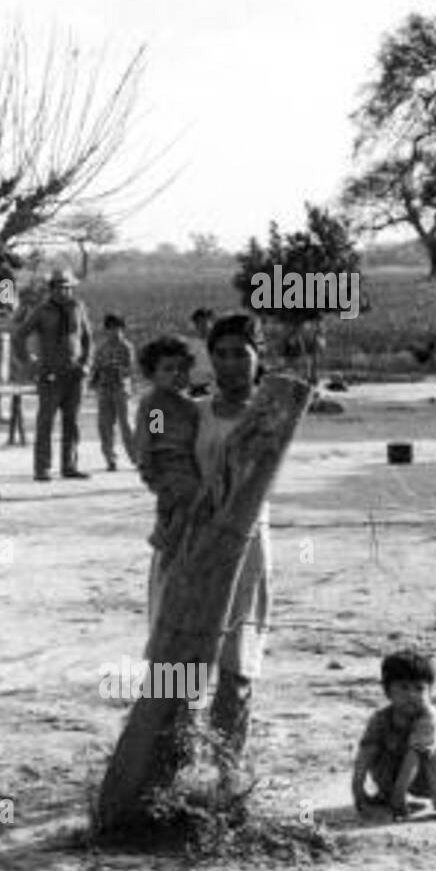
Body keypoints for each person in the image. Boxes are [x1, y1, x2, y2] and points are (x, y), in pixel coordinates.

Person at [145, 313, 271, 765]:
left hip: (244, 544)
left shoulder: (272, 416)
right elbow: (155, 457)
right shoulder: (187, 414)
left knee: (236, 655)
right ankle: (171, 760)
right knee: (176, 650)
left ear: (259, 357)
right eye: (220, 354)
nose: (231, 363)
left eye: (241, 353)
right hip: (187, 543)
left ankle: (226, 770)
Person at [352, 649, 436, 821]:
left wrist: (399, 796)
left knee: (432, 753)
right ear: (387, 691)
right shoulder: (380, 718)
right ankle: (386, 794)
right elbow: (364, 754)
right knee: (375, 750)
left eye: (419, 689)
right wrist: (358, 789)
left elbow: (414, 757)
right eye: (403, 688)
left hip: (430, 777)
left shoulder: (428, 718)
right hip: (399, 771)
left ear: (429, 693)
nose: (411, 695)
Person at [135, 335, 201, 598]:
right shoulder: (157, 405)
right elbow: (149, 439)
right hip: (168, 469)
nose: (176, 374)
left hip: (189, 467)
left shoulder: (189, 407)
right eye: (168, 369)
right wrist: (150, 473)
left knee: (186, 516)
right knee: (180, 511)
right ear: (152, 374)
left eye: (182, 369)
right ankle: (167, 560)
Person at [13, 269, 93, 481]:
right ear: (51, 288)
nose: (63, 290)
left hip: (75, 374)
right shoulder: (41, 310)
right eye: (59, 286)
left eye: (67, 287)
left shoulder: (78, 307)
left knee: (72, 422)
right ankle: (42, 468)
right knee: (45, 422)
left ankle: (69, 466)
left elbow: (87, 339)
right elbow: (19, 336)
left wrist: (86, 364)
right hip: (50, 374)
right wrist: (30, 363)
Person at [89, 314, 138, 471]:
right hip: (104, 389)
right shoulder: (101, 348)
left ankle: (135, 458)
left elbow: (130, 369)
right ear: (107, 330)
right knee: (105, 426)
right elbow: (95, 368)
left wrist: (118, 370)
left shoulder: (126, 347)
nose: (115, 331)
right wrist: (95, 379)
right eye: (111, 328)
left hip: (121, 389)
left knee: (126, 426)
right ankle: (110, 459)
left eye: (117, 328)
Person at [184, 308, 217, 397]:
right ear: (195, 325)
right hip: (195, 389)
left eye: (206, 322)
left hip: (214, 389)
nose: (204, 326)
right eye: (199, 323)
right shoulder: (189, 346)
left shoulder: (219, 345)